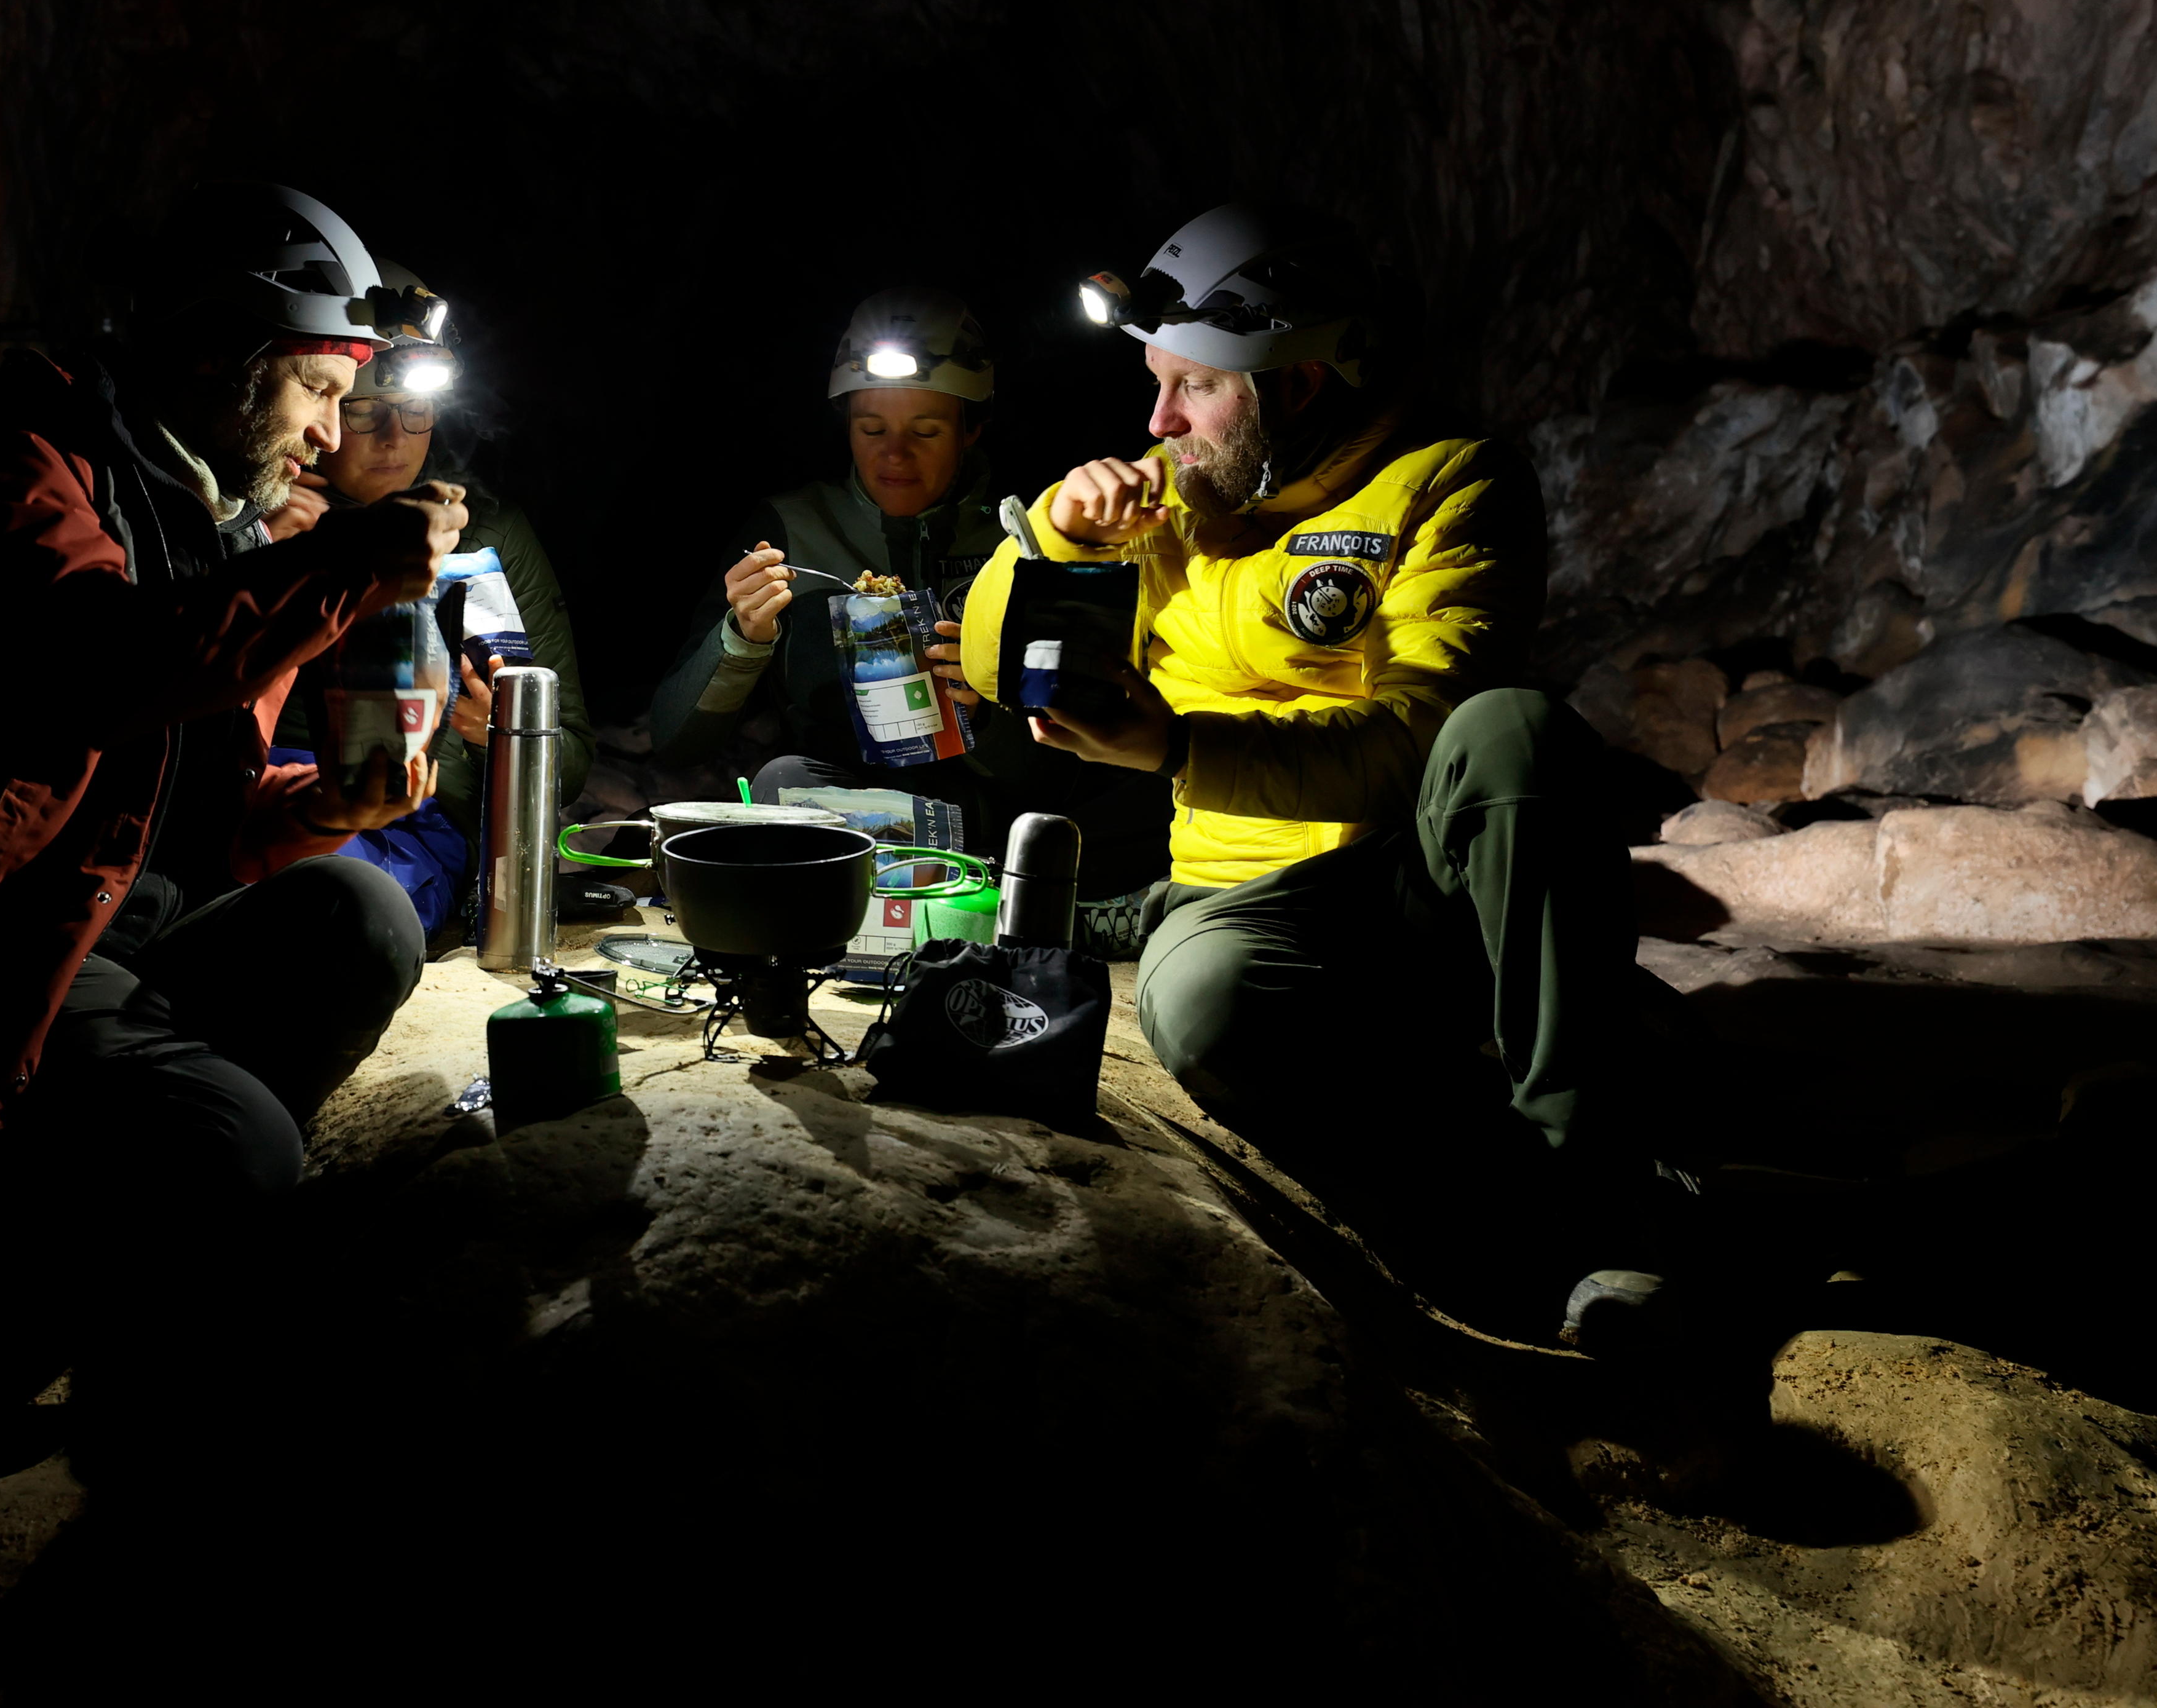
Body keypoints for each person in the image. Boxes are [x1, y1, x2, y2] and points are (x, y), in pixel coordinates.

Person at [958, 202, 1692, 1349]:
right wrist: (1047, 539)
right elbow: (990, 665)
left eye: (1192, 389)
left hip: (1410, 886)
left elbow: (1422, 733)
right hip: (1241, 908)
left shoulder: (1449, 481)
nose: (1157, 420)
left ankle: (1595, 1192)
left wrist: (1185, 751)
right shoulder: (1167, 496)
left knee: (1518, 732)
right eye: (1157, 385)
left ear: (1294, 384)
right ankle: (1510, 1165)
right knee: (1197, 1002)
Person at [0, 180, 468, 1393]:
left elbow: (190, 820)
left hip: (134, 928)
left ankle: (139, 1166)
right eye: (319, 391)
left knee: (365, 908)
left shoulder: (235, 515)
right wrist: (345, 567)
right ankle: (2, 1303)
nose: (333, 435)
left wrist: (321, 810)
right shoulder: (19, 453)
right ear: (223, 350)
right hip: (2, 959)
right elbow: (102, 667)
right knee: (244, 1155)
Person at [646, 287, 1168, 943]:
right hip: (869, 810)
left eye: (924, 432)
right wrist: (743, 638)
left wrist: (982, 709)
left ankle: (973, 893)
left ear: (970, 427)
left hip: (1018, 806)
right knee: (781, 783)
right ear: (845, 425)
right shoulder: (791, 529)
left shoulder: (1026, 534)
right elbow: (672, 738)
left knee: (1154, 782)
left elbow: (1076, 741)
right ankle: (1020, 900)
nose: (894, 454)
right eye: (872, 430)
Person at [263, 264, 595, 936]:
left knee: (352, 907)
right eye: (363, 409)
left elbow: (568, 763)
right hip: (280, 796)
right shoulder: (263, 522)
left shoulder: (490, 534)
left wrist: (496, 734)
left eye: (416, 410)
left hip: (423, 826)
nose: (394, 437)